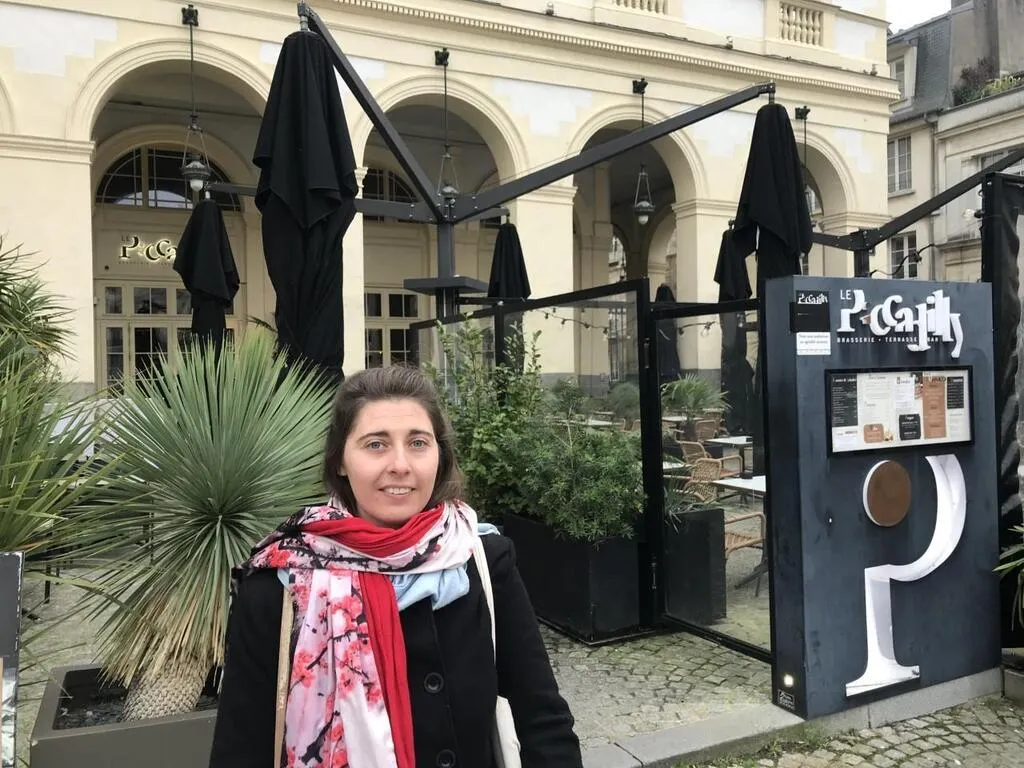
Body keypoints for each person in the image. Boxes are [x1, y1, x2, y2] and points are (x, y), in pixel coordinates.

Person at [209, 365, 582, 768]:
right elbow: (240, 748)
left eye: (418, 443)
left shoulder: (483, 561)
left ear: (439, 456)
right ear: (339, 461)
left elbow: (544, 719)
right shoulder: (279, 585)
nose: (400, 465)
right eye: (375, 445)